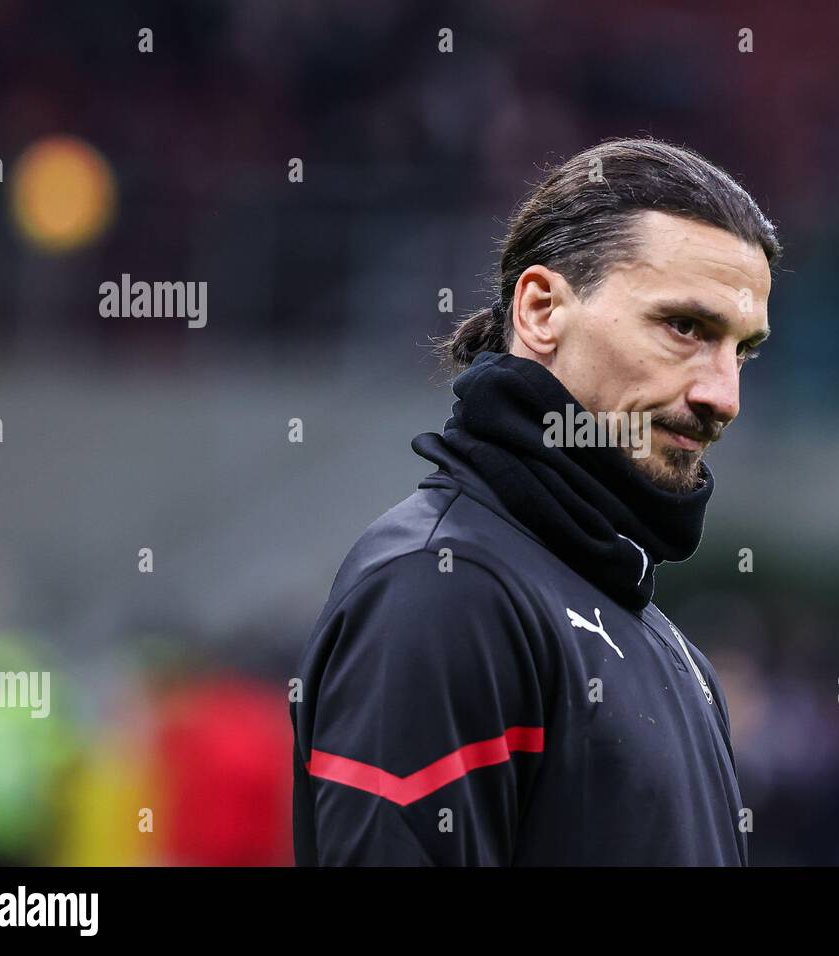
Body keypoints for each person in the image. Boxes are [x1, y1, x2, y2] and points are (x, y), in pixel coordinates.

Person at [292, 137, 779, 865]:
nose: (724, 397)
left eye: (742, 350)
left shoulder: (670, 648)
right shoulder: (440, 589)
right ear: (543, 309)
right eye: (686, 328)